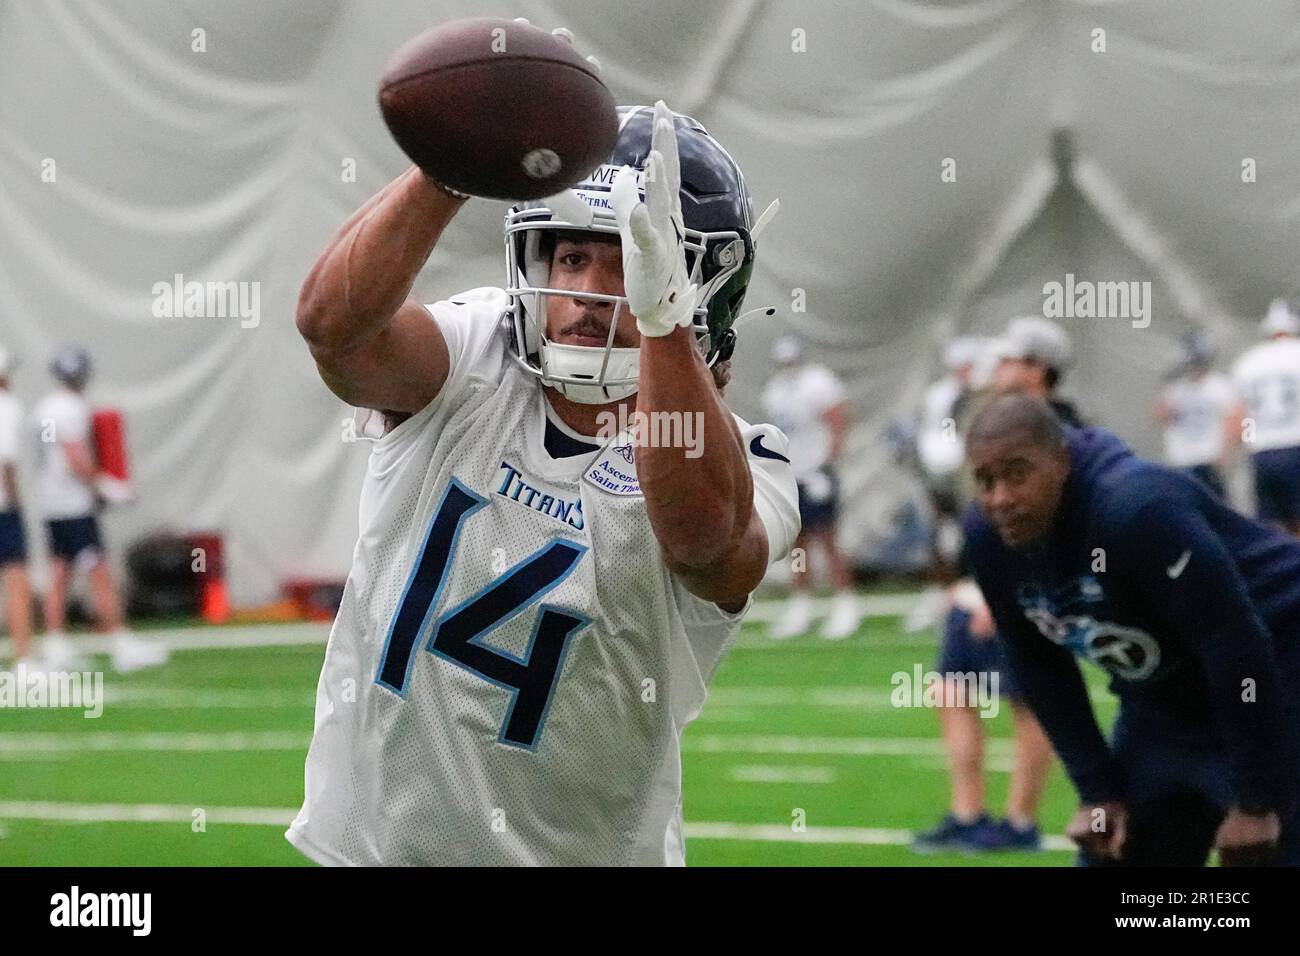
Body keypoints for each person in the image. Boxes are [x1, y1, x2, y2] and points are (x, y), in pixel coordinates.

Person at [286, 99, 799, 866]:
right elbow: (336, 332)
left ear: (699, 290)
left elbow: (705, 543)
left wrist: (661, 325)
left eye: (626, 260)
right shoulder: (477, 353)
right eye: (571, 257)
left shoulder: (749, 454)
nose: (590, 294)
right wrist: (449, 169)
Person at [964, 393, 1300, 866]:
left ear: (1061, 461)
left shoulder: (1135, 509)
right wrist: (1096, 789)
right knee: (1114, 850)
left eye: (1017, 474)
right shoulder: (988, 536)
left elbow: (1233, 645)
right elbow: (1035, 662)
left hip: (1278, 670)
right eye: (985, 481)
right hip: (1165, 702)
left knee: (1266, 850)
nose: (1001, 498)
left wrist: (1256, 799)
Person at [914, 318, 1066, 853]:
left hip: (1030, 586)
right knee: (951, 690)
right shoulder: (995, 420)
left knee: (1030, 702)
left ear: (1037, 370)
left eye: (1010, 361)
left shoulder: (1058, 432)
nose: (997, 370)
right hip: (981, 580)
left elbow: (1047, 521)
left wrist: (1011, 595)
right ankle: (967, 813)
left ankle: (1020, 821)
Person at [32, 347, 166, 672]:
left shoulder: (44, 407)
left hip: (51, 503)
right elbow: (74, 456)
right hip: (73, 506)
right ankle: (121, 641)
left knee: (60, 572)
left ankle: (54, 644)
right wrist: (106, 485)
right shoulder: (70, 409)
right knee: (100, 573)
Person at [761, 334, 861, 639]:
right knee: (797, 541)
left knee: (828, 538)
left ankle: (846, 603)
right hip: (794, 474)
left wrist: (828, 464)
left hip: (818, 471)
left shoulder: (818, 382)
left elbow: (838, 421)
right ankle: (801, 604)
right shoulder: (775, 391)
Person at [1232, 300, 1300, 536]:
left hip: (1262, 452)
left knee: (1270, 528)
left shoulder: (1248, 362)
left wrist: (1253, 441)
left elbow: (1241, 419)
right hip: (1295, 444)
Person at [1155, 331, 1239, 499]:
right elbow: (1161, 417)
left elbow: (1236, 422)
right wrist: (1165, 385)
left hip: (1208, 458)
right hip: (1181, 460)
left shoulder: (1219, 385)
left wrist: (1225, 454)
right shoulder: (1174, 389)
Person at [0, 345, 34, 666]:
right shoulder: (7, 407)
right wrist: (15, 502)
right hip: (3, 508)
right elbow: (6, 460)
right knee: (16, 581)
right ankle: (24, 659)